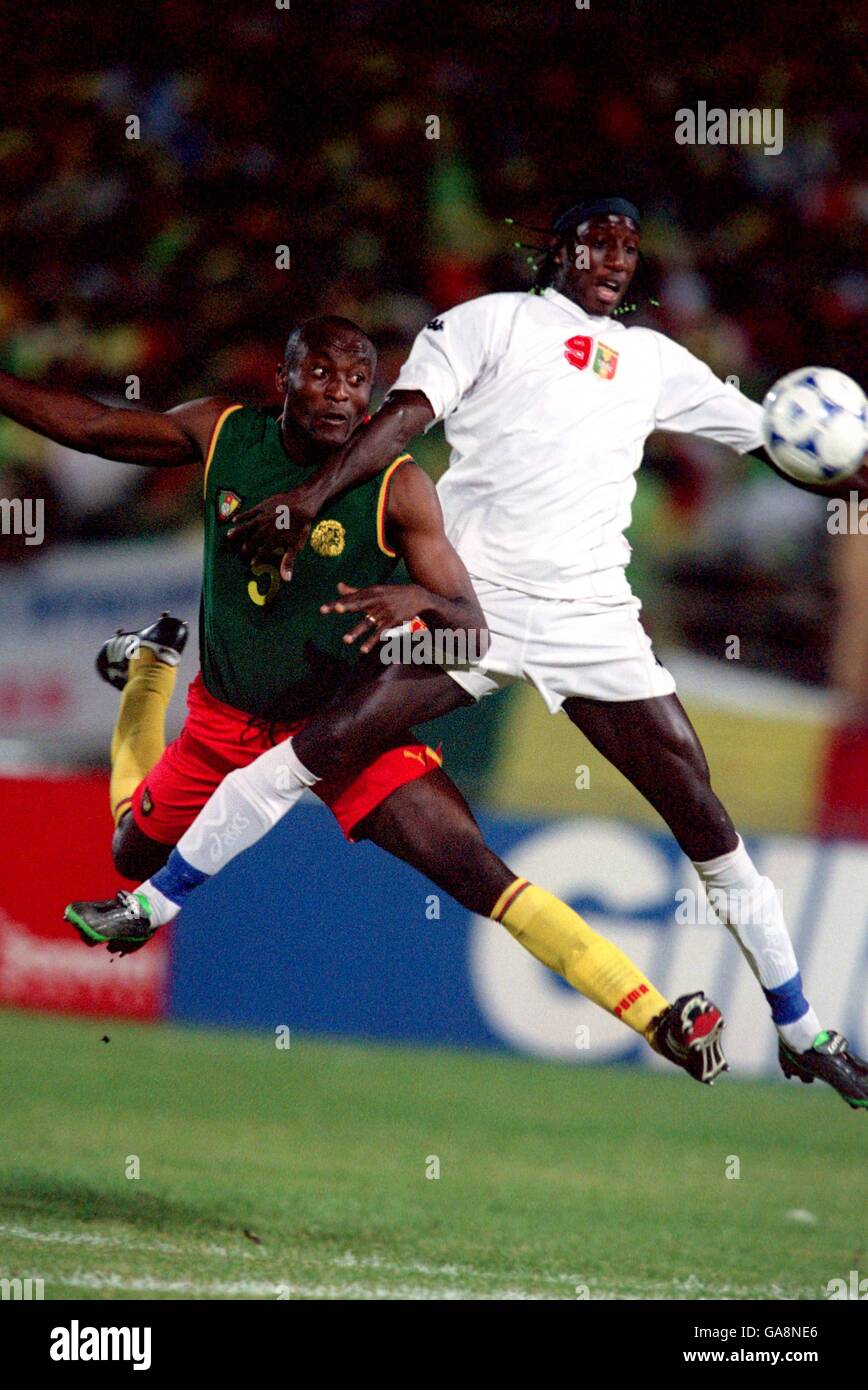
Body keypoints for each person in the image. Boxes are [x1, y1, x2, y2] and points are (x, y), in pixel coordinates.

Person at [83, 197, 866, 1108]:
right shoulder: (489, 323)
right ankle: (154, 902)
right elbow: (404, 422)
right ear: (560, 250)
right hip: (468, 607)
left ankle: (802, 1028)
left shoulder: (656, 362)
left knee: (703, 815)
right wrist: (314, 495)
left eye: (629, 246)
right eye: (598, 240)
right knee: (313, 749)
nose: (616, 256)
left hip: (592, 622)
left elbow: (779, 440)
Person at [0, 313, 725, 1083]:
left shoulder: (399, 488)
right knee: (129, 854)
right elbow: (98, 428)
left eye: (356, 382)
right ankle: (150, 673)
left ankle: (657, 1017)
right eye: (320, 374)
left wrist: (411, 597)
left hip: (342, 737)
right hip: (224, 726)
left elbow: (472, 635)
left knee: (475, 870)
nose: (338, 395)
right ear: (284, 377)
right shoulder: (225, 434)